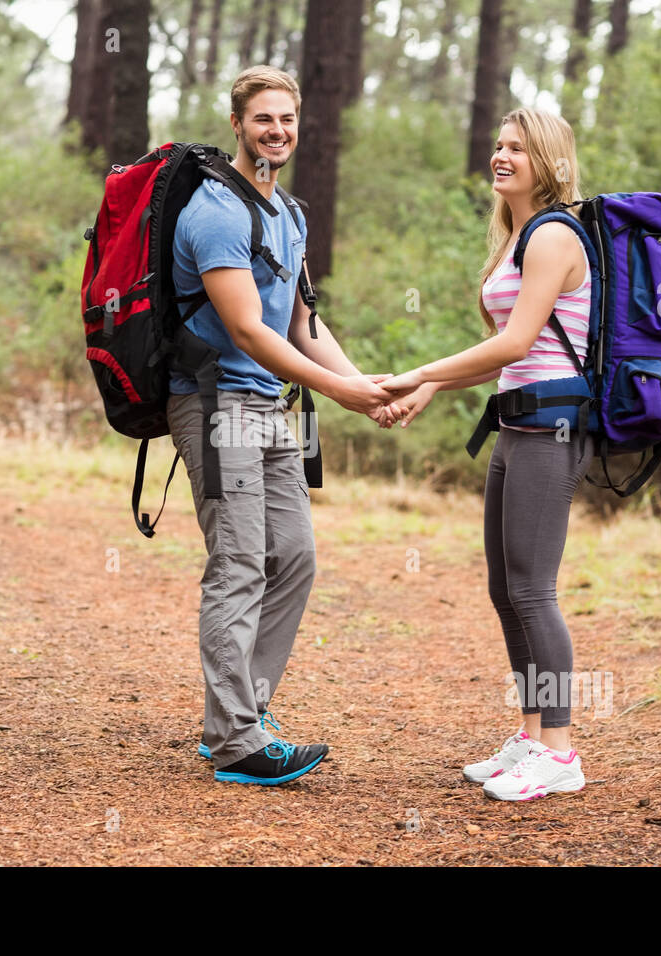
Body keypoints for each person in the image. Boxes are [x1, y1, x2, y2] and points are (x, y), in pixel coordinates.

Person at [168, 65, 402, 785]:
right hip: (218, 408)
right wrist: (339, 390)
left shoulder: (289, 215)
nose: (277, 131)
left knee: (293, 559)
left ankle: (243, 715)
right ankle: (235, 738)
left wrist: (365, 385)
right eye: (263, 119)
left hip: (276, 409)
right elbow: (245, 330)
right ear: (237, 124)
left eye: (288, 120)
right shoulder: (214, 211)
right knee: (239, 564)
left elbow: (303, 324)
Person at [383, 108, 595, 801]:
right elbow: (512, 352)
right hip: (515, 424)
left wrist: (419, 372)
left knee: (534, 589)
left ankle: (560, 753)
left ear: (549, 160)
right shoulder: (517, 237)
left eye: (517, 149)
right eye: (498, 146)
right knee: (505, 590)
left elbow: (515, 343)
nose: (501, 157)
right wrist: (434, 389)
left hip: (551, 427)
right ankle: (532, 737)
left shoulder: (556, 234)